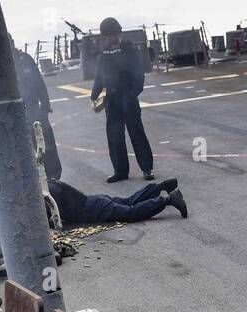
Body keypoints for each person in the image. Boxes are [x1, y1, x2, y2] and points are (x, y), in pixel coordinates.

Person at [91, 17, 153, 182]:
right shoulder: (105, 53)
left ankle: (147, 168)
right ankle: (120, 171)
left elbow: (138, 72)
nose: (108, 39)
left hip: (128, 97)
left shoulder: (128, 48)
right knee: (114, 136)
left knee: (136, 133)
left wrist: (133, 93)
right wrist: (94, 95)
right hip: (112, 98)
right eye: (106, 36)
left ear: (116, 33)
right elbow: (99, 76)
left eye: (110, 35)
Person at [12, 39, 62, 180]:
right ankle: (34, 179)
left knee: (47, 142)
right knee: (25, 149)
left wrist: (45, 108)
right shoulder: (0, 64)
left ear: (12, 42)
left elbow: (39, 83)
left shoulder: (25, 59)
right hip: (16, 114)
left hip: (34, 109)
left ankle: (54, 176)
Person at [47, 177, 186, 225]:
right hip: (95, 200)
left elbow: (54, 217)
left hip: (95, 209)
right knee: (129, 201)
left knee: (131, 213)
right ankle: (160, 187)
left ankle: (168, 200)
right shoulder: (48, 183)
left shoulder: (46, 194)